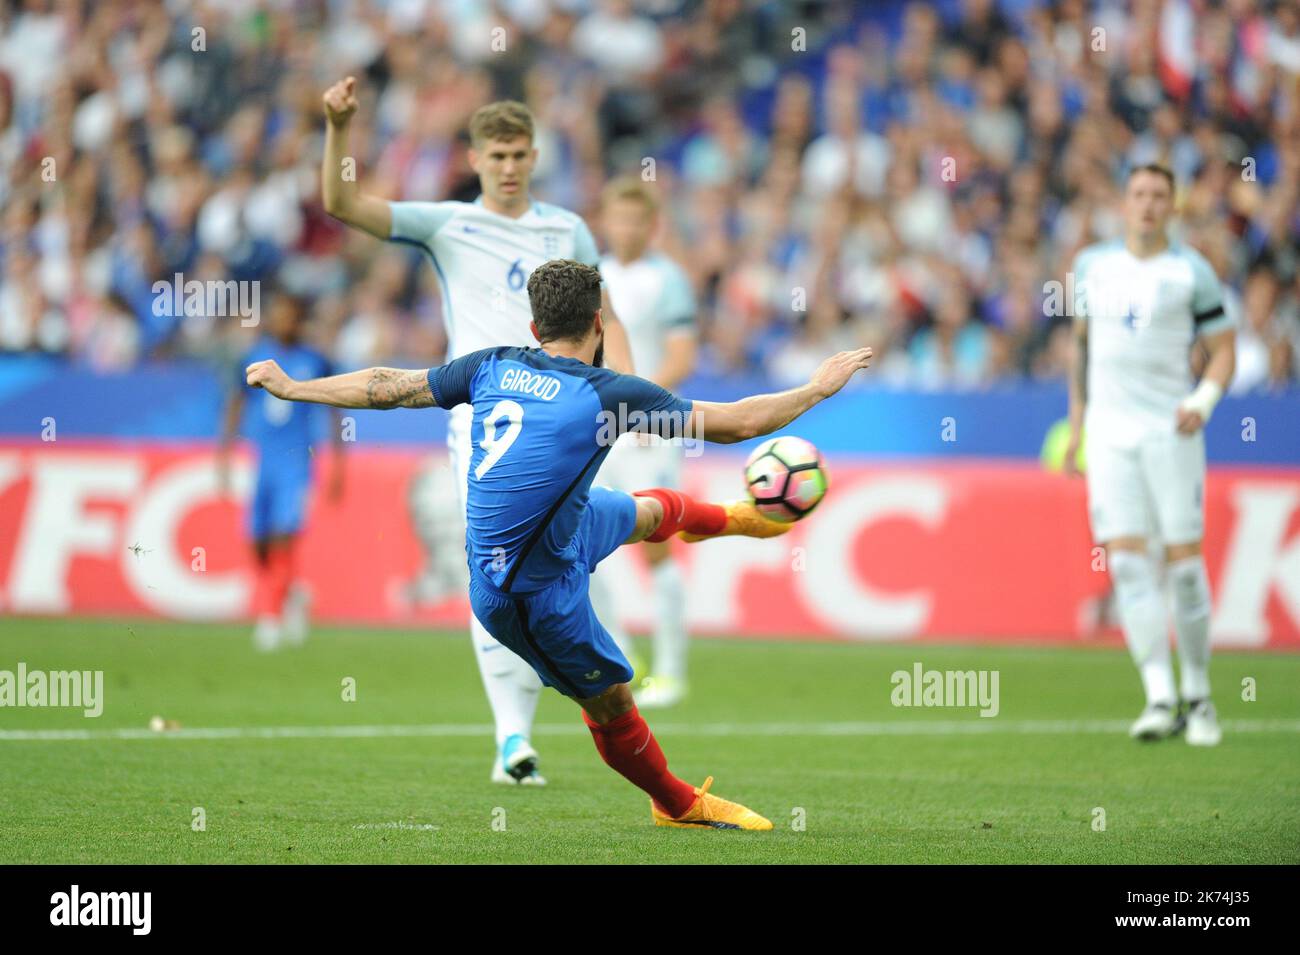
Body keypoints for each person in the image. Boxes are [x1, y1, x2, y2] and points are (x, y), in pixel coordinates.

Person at [244, 259, 872, 829]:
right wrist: (816, 387)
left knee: (651, 509)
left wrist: (295, 387)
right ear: (599, 322)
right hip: (525, 590)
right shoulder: (610, 394)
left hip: (561, 527)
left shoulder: (491, 365)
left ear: (534, 324)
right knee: (611, 702)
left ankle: (740, 519)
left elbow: (387, 384)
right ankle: (676, 804)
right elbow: (740, 423)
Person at [320, 77, 636, 785]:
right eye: (497, 154)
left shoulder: (568, 229)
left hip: (573, 420)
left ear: (534, 155)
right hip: (484, 421)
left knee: (581, 558)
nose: (510, 166)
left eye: (520, 153)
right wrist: (339, 130)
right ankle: (511, 739)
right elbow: (341, 203)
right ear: (474, 157)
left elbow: (604, 320)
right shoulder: (447, 225)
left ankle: (604, 686)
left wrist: (627, 398)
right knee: (495, 568)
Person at [1064, 164, 1236, 746]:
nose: (1147, 205)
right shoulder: (1092, 265)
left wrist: (1205, 399)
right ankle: (1159, 696)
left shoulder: (1192, 272)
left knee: (1185, 568)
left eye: (1159, 196)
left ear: (1173, 206)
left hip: (1171, 432)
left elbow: (1223, 350)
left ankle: (1201, 695)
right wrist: (1078, 426)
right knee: (1130, 564)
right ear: (1123, 201)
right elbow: (1080, 352)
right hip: (1110, 436)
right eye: (1138, 194)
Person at [588, 177, 699, 708]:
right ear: (605, 222)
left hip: (648, 433)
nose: (626, 228)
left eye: (637, 219)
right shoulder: (592, 278)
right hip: (600, 431)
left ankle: (673, 672)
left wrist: (642, 404)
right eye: (618, 218)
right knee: (584, 547)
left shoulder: (668, 280)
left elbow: (681, 354)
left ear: (651, 226)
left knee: (657, 545)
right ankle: (622, 661)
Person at [218, 292, 344, 651]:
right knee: (256, 541)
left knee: (283, 537)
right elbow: (235, 403)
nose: (284, 320)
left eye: (290, 314)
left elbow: (334, 408)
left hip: (297, 464)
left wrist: (337, 464)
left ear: (299, 318)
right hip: (264, 462)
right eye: (278, 314)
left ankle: (271, 617)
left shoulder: (314, 360)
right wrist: (224, 455)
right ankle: (291, 592)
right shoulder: (254, 356)